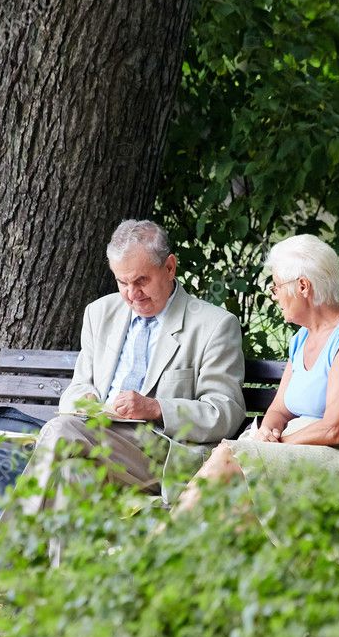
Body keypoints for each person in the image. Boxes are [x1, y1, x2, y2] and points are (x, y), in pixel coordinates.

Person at [16, 219, 247, 530]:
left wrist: (155, 408)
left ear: (169, 267)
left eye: (141, 280)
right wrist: (85, 399)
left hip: (162, 455)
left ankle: (5, 550)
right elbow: (79, 385)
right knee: (71, 474)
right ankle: (60, 564)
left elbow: (225, 412)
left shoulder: (214, 325)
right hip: (95, 439)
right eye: (122, 282)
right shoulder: (100, 313)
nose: (132, 294)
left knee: (60, 429)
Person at [175, 234, 339, 513]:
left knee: (235, 457)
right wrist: (268, 430)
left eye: (276, 286)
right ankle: (180, 536)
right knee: (237, 477)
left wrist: (275, 445)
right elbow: (279, 409)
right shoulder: (301, 339)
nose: (274, 295)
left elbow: (334, 429)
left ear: (302, 286)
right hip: (314, 451)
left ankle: (164, 537)